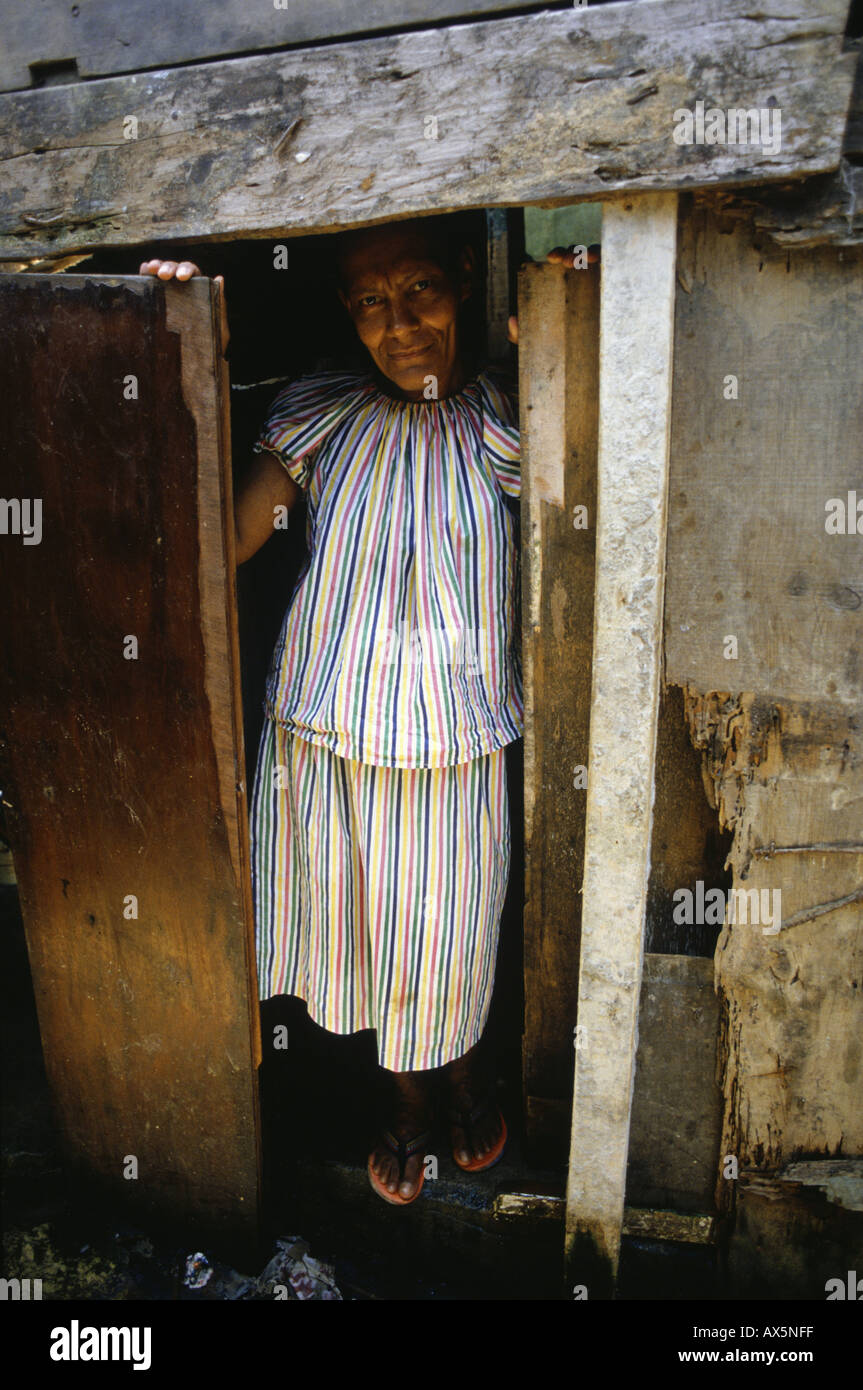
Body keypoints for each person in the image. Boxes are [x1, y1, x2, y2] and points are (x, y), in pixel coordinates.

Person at [141, 222, 593, 1205]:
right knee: (360, 934)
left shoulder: (505, 412)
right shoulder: (321, 410)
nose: (398, 325)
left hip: (453, 737)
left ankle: (465, 1082)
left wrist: (578, 321)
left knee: (450, 933)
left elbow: (588, 490)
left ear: (462, 280)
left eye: (419, 289)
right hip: (327, 728)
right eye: (369, 304)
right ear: (346, 314)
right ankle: (404, 1104)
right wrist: (164, 342)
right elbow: (223, 543)